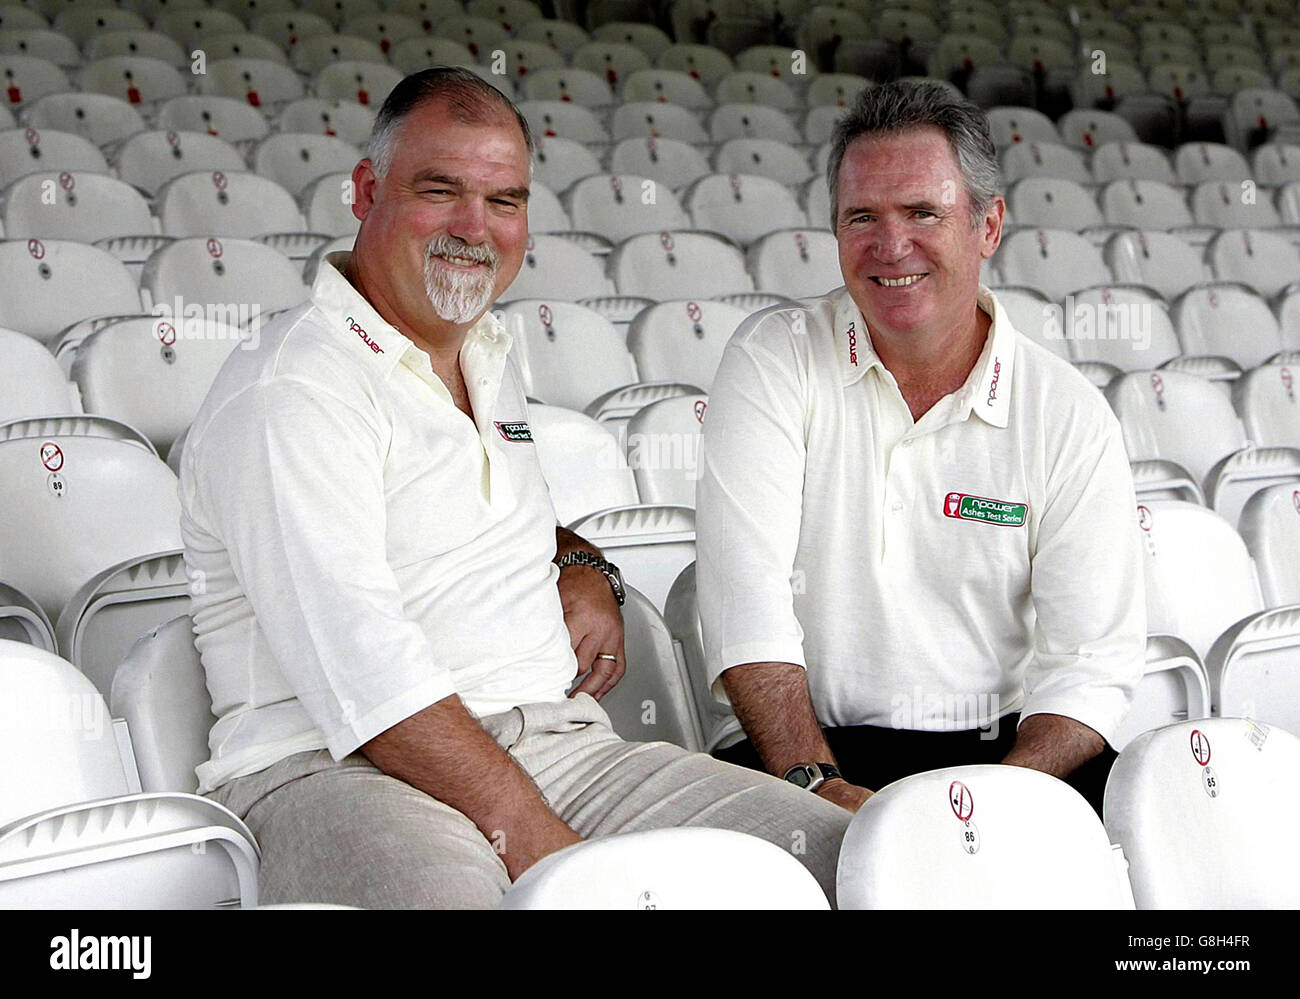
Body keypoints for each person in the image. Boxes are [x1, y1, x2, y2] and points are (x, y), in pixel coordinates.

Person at [178, 67, 850, 908]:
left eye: (504, 200)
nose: (475, 227)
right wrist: (542, 842)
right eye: (440, 190)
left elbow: (466, 516)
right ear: (365, 190)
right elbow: (367, 672)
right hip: (337, 766)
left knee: (840, 856)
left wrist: (584, 565)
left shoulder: (487, 352)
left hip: (561, 745)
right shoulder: (292, 387)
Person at [696, 80, 1145, 816]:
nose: (890, 246)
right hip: (801, 748)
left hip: (998, 751)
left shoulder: (1067, 411)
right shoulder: (772, 358)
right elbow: (745, 606)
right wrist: (817, 781)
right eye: (862, 216)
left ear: (989, 225)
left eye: (922, 213)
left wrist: (1003, 796)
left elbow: (1092, 663)